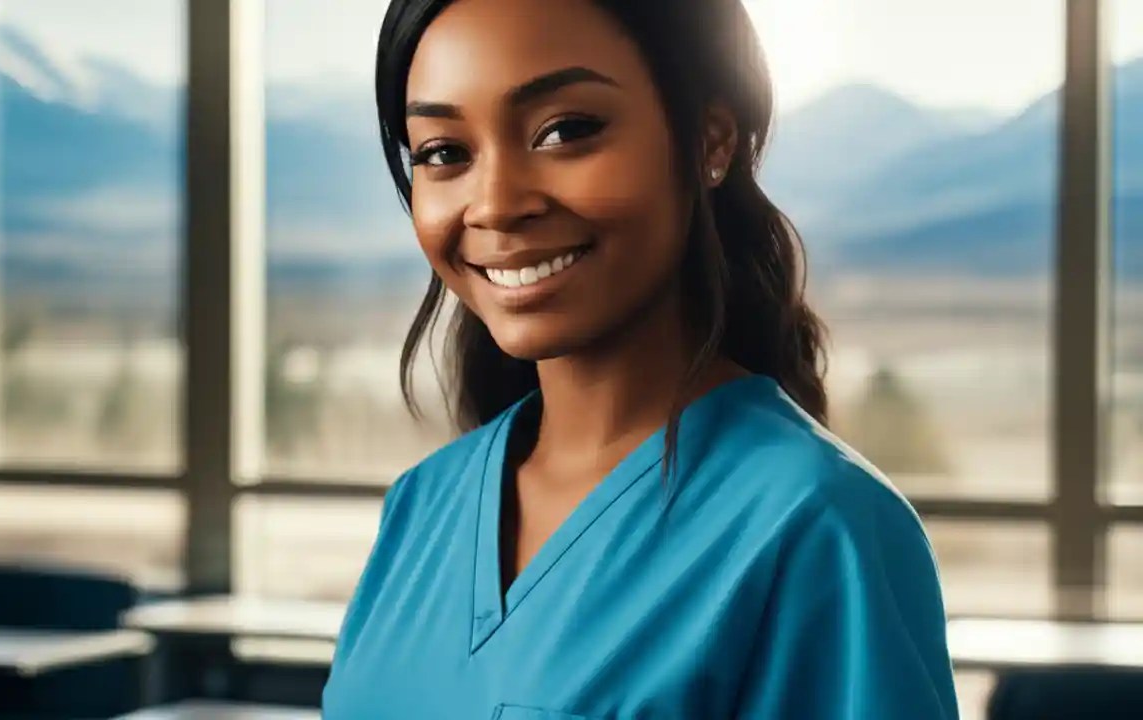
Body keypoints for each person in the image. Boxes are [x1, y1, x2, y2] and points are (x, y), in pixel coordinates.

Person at [322, 0, 959, 717]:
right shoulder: (423, 504)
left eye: (565, 131)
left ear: (711, 140)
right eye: (444, 153)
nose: (495, 204)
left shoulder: (819, 526)